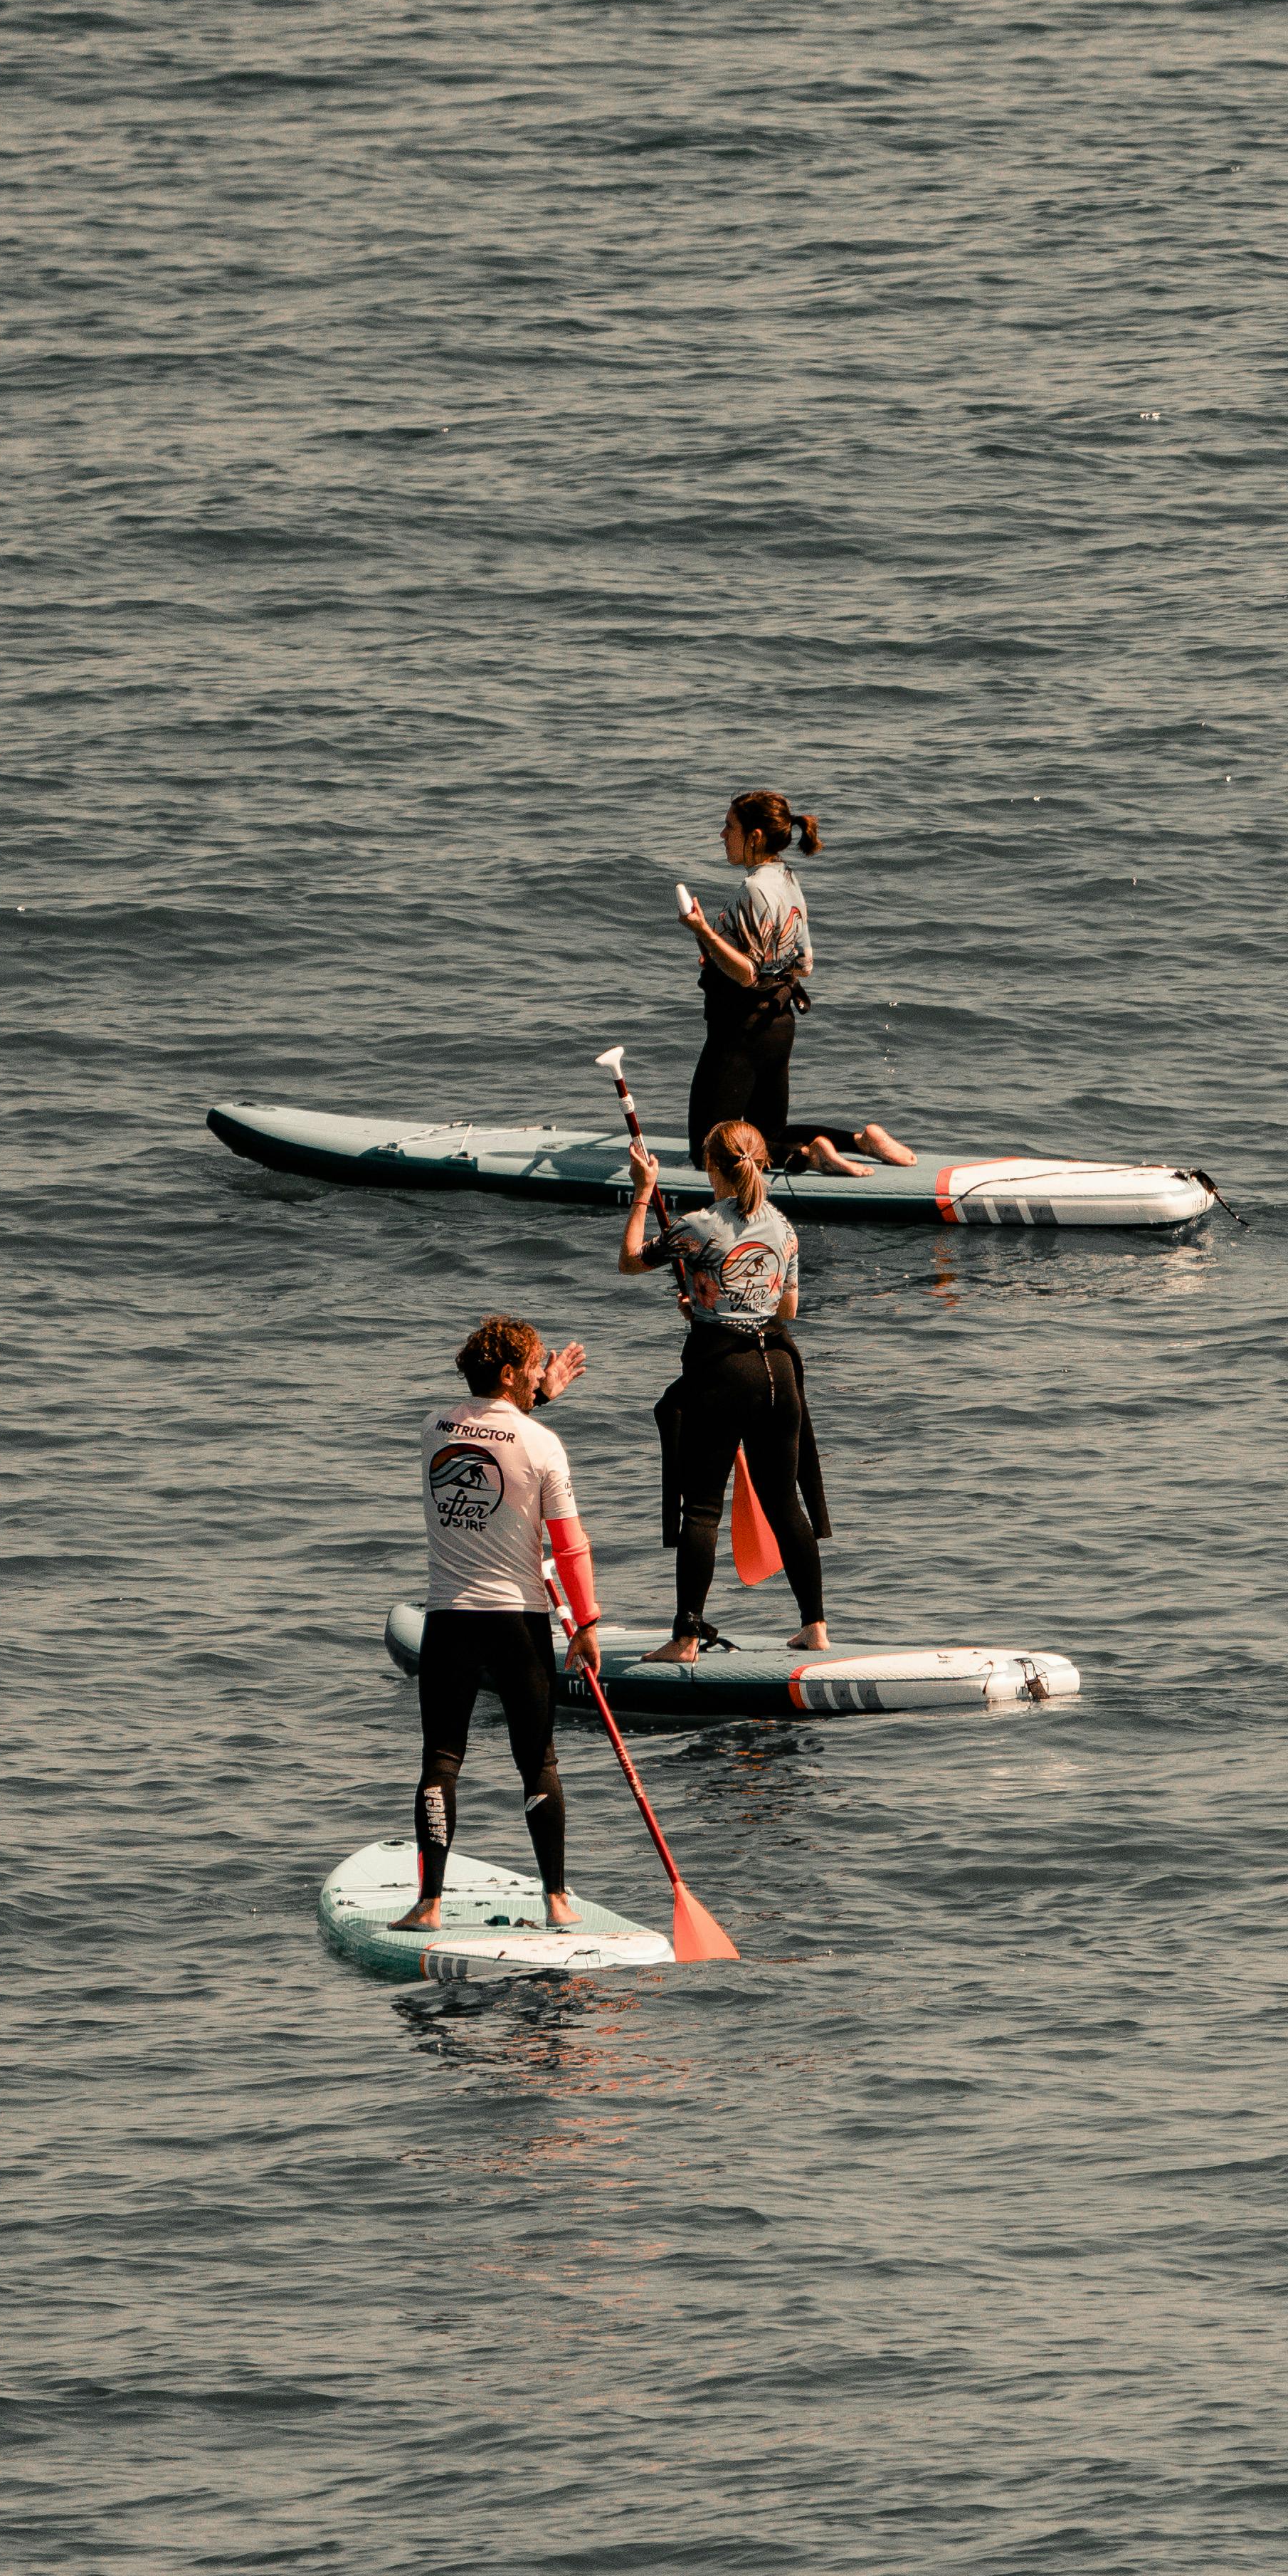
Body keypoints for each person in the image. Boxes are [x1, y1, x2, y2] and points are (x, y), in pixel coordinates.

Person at [406, 1313, 606, 1932]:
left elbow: (492, 1435)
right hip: (518, 1620)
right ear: (512, 1373)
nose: (545, 1373)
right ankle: (556, 1901)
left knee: (441, 1759)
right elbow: (569, 1546)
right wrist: (587, 1624)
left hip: (449, 1619)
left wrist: (536, 1397)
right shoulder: (541, 1444)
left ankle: (430, 1905)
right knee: (537, 1760)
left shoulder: (433, 1428)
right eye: (536, 1365)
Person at [623, 1116, 833, 1661]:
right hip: (779, 1372)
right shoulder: (784, 1228)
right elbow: (785, 1308)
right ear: (761, 1163)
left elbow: (629, 1262)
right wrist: (708, 1302)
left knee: (703, 1510)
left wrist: (645, 1193)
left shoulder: (697, 1226)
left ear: (712, 1167)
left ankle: (687, 1637)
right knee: (784, 1500)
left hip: (725, 1375)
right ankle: (815, 1626)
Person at [671, 788, 919, 1178]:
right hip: (779, 1025)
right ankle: (860, 1142)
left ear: (754, 836)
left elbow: (749, 973)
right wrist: (719, 947)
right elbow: (803, 965)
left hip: (739, 1030)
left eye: (729, 826)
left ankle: (809, 1154)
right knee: (769, 1131)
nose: (722, 835)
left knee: (708, 1149)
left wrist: (704, 930)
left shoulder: (752, 891)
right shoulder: (786, 878)